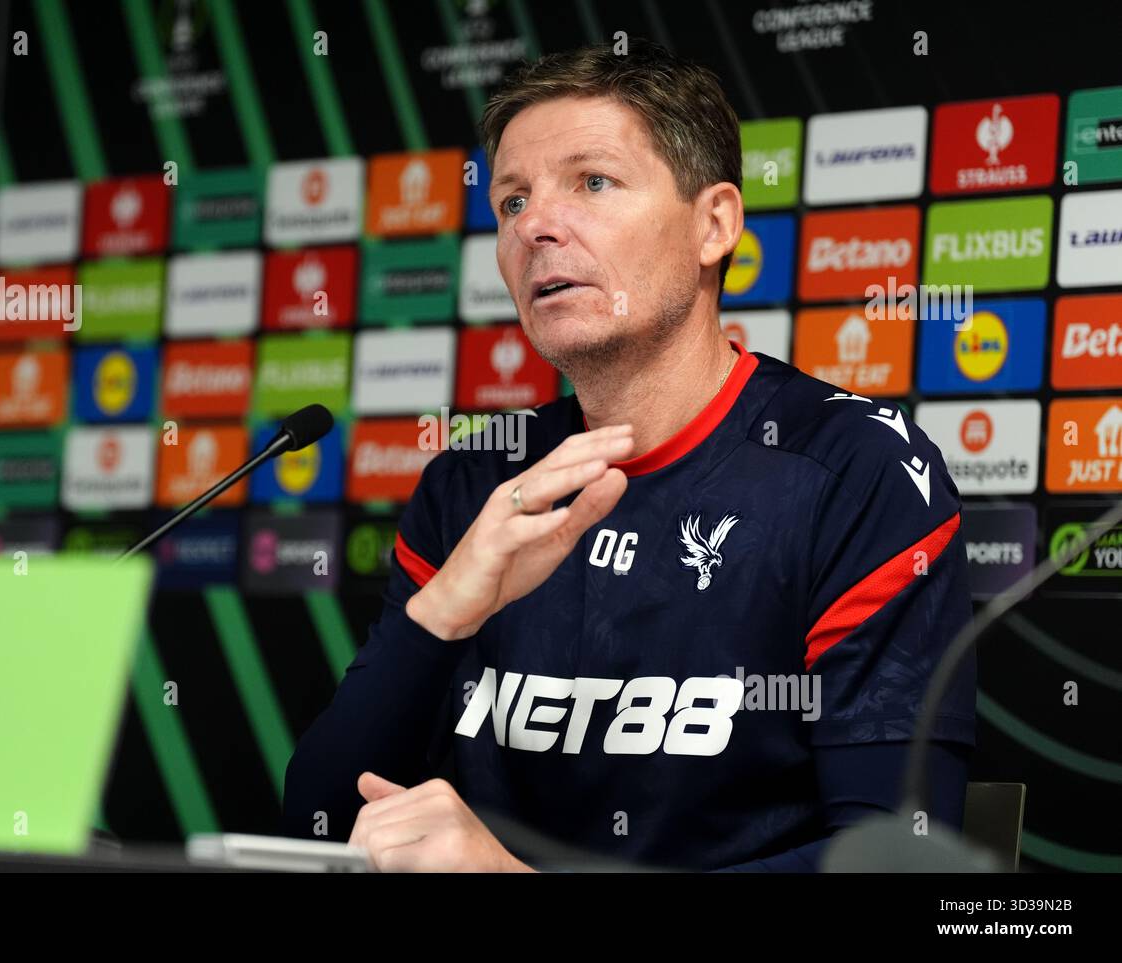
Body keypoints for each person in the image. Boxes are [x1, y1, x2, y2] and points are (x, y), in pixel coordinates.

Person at [282, 40, 975, 872]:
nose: (535, 225)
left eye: (593, 182)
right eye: (510, 201)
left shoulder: (853, 470)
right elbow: (317, 826)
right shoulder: (473, 482)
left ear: (713, 224)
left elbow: (899, 859)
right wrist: (442, 615)